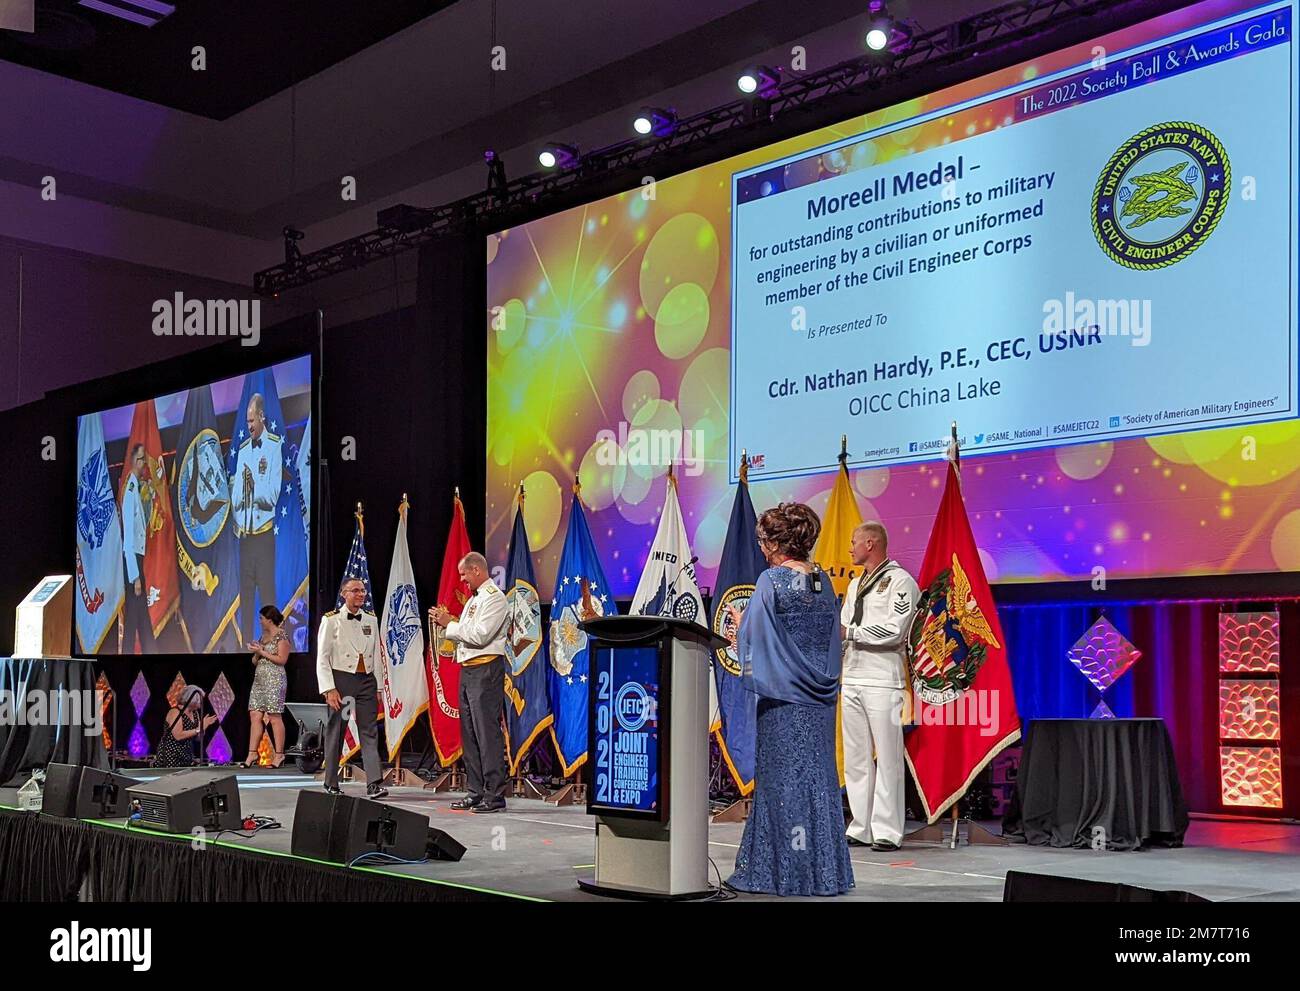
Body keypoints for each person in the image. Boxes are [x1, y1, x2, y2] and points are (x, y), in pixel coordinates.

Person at [725, 502, 854, 896]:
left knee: (783, 786)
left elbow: (756, 642)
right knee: (816, 782)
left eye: (764, 540)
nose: (761, 547)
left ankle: (779, 873)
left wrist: (738, 629)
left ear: (777, 543)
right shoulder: (823, 582)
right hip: (818, 703)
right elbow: (824, 640)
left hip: (783, 704)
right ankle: (823, 874)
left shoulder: (772, 581)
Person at [840, 521, 920, 852]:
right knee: (856, 758)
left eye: (854, 542)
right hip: (852, 677)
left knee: (887, 757)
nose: (850, 548)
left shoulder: (900, 582)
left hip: (883, 681)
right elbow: (843, 623)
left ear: (871, 544)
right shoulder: (854, 584)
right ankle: (861, 826)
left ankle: (887, 829)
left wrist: (854, 634)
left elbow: (896, 630)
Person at [430, 552, 508, 814]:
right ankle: (475, 791)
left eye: (464, 574)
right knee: (470, 735)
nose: (462, 579)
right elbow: (466, 634)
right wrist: (450, 621)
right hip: (469, 671)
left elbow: (480, 635)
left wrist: (449, 624)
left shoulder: (495, 599)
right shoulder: (474, 600)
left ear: (476, 570)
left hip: (486, 670)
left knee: (487, 735)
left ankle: (494, 794)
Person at [317, 578, 388, 799]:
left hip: (366, 681)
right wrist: (329, 688)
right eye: (355, 591)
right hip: (343, 682)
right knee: (338, 729)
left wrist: (378, 688)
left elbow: (376, 654)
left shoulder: (370, 619)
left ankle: (374, 783)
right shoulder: (332, 620)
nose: (360, 594)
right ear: (343, 594)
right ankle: (331, 781)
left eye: (362, 591)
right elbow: (322, 657)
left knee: (369, 730)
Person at [231, 393, 282, 644]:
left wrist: (253, 485)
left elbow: (272, 495)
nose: (249, 426)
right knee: (246, 595)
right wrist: (239, 516)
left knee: (268, 595)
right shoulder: (242, 451)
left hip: (263, 535)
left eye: (253, 420)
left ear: (262, 417)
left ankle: (272, 647)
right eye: (247, 421)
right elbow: (236, 497)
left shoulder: (273, 446)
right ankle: (245, 649)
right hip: (246, 537)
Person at [241, 604, 291, 768]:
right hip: (260, 681)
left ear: (269, 620)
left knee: (275, 717)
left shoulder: (282, 637)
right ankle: (252, 753)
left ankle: (279, 755)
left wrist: (262, 652)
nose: (260, 622)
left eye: (262, 619)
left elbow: (281, 660)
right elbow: (255, 662)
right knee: (255, 714)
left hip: (274, 680)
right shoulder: (263, 637)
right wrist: (257, 651)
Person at [120, 443, 157, 654]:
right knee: (134, 617)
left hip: (138, 559)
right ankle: (127, 655)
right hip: (132, 560)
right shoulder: (131, 489)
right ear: (135, 461)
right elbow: (129, 540)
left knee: (142, 617)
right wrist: (134, 576)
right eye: (142, 459)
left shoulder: (138, 487)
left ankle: (151, 650)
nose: (144, 463)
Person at [153, 685, 216, 768]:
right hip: (171, 754)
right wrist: (198, 729)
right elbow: (178, 736)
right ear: (193, 700)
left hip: (186, 754)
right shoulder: (175, 712)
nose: (202, 703)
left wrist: (203, 727)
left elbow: (197, 738)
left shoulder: (195, 713)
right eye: (200, 700)